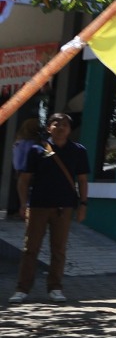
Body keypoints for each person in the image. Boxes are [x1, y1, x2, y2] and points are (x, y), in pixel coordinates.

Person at [10, 113, 90, 304]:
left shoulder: (78, 151)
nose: (61, 127)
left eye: (65, 125)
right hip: (38, 206)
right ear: (49, 128)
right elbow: (24, 179)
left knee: (59, 250)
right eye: (56, 124)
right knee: (31, 248)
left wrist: (83, 205)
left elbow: (82, 180)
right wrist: (23, 204)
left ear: (70, 130)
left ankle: (55, 288)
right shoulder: (37, 150)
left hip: (64, 207)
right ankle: (22, 289)